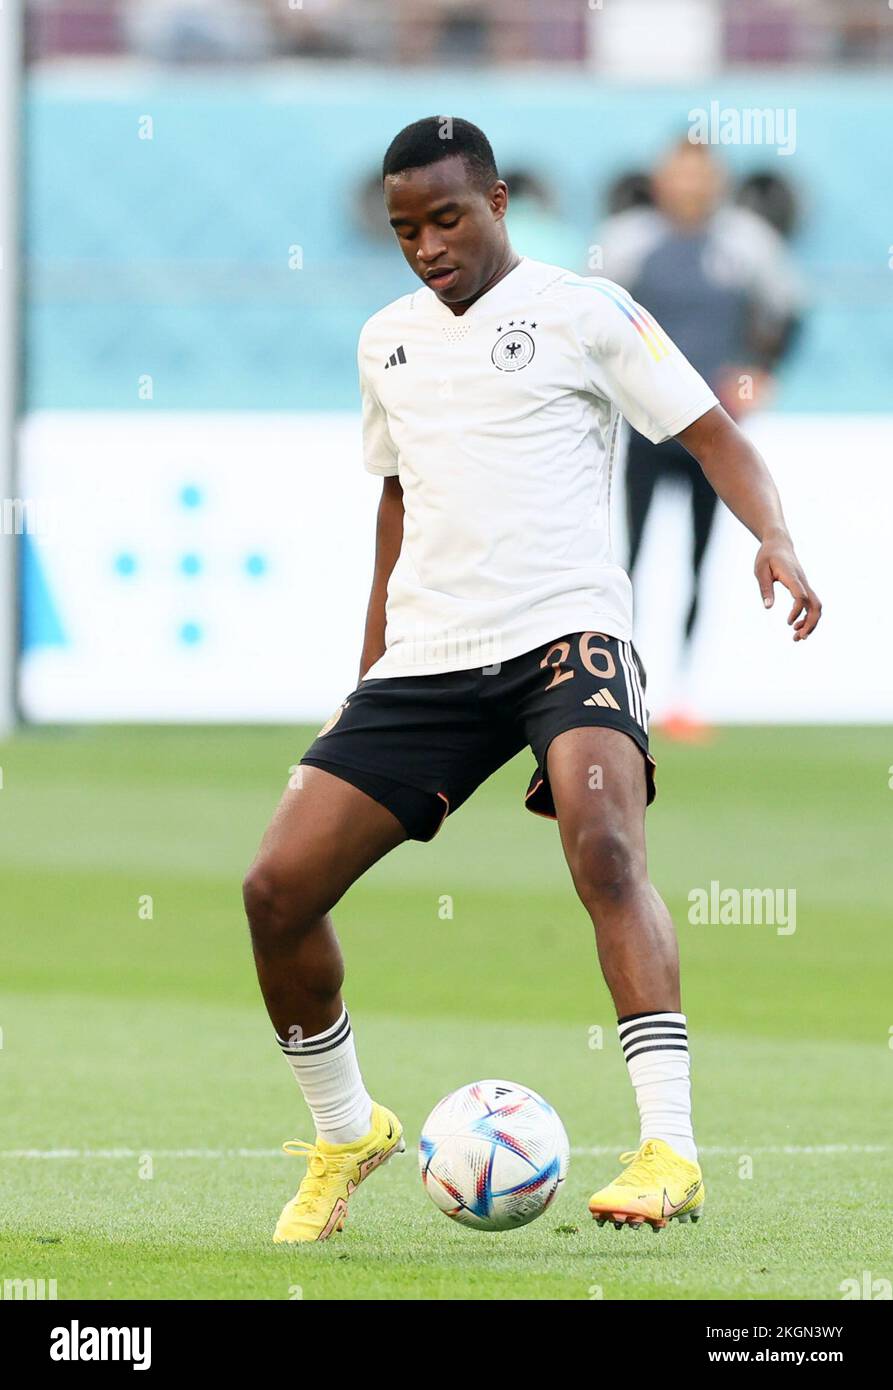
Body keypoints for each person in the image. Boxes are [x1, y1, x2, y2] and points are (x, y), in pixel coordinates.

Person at [242, 117, 821, 1243]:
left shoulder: (584, 310)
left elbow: (711, 433)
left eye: (445, 218)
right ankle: (345, 1130)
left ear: (498, 202)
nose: (425, 245)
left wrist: (776, 535)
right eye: (405, 228)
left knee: (604, 846)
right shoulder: (386, 342)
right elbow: (396, 502)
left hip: (566, 632)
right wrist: (363, 680)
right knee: (275, 891)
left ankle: (669, 1151)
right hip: (430, 653)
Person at [600, 137, 803, 736]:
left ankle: (683, 692)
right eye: (679, 175)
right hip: (643, 428)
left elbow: (787, 312)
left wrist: (758, 371)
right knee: (628, 559)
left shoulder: (746, 242)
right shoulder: (628, 240)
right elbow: (591, 317)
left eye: (700, 176)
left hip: (712, 433)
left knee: (697, 560)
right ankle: (618, 686)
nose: (689, 187)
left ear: (716, 182)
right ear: (662, 180)